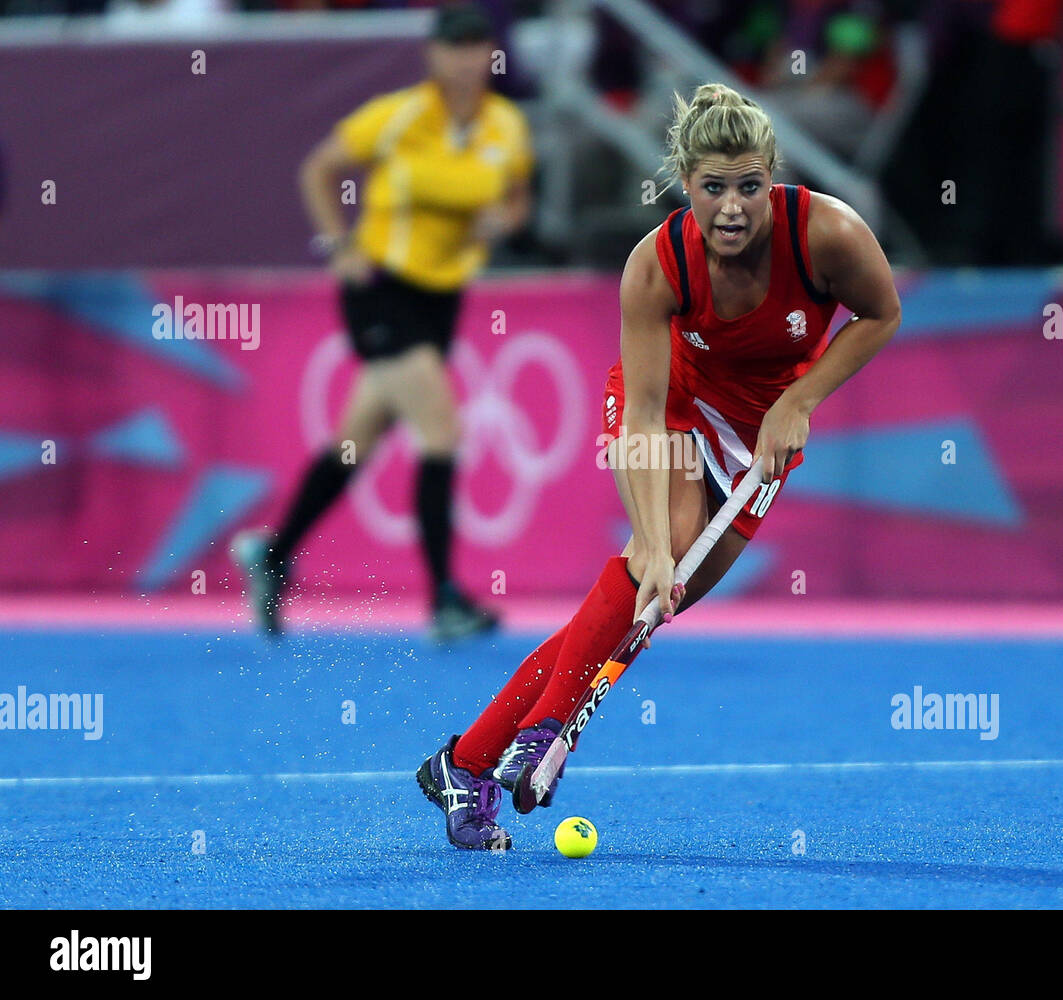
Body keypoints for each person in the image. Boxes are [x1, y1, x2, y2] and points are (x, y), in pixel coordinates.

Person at [416, 83, 901, 849]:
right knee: (655, 562)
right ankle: (544, 734)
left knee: (635, 615)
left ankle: (462, 763)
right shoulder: (657, 265)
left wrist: (800, 399)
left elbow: (882, 313)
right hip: (671, 401)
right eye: (714, 188)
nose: (734, 207)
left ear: (773, 175)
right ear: (685, 185)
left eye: (750, 186)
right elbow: (641, 414)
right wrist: (651, 541)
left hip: (763, 425)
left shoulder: (827, 234)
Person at [233, 4, 532, 643]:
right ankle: (444, 599)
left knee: (354, 442)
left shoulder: (505, 125)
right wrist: (335, 245)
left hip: (441, 299)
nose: (465, 60)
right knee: (442, 432)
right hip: (380, 288)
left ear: (489, 56)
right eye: (452, 49)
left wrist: (502, 222)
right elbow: (316, 169)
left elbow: (515, 197)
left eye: (476, 48)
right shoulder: (397, 117)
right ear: (432, 57)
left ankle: (274, 555)